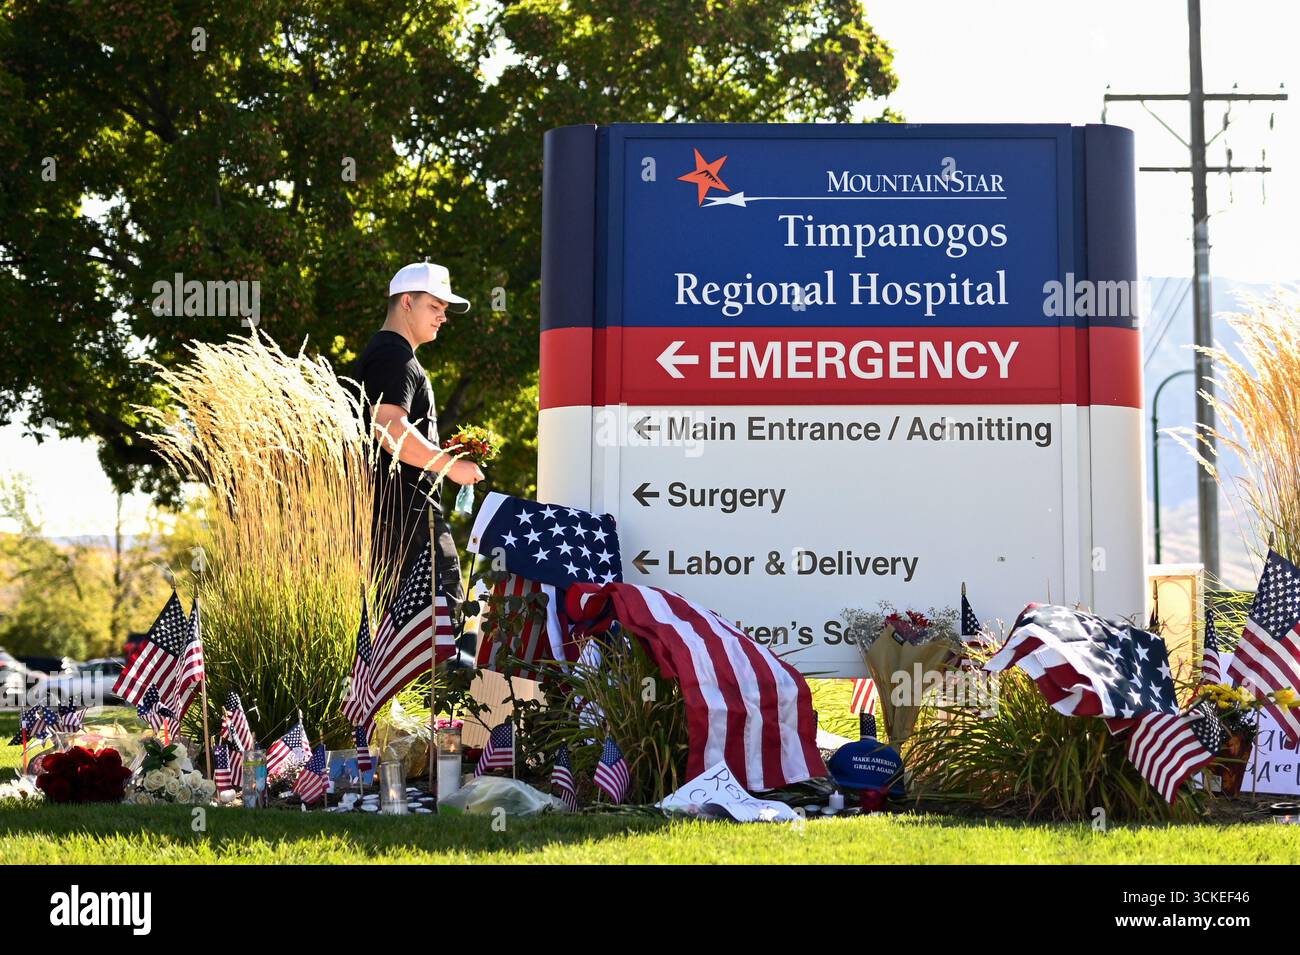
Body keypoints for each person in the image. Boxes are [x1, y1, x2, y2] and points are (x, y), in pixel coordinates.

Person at [354, 262, 484, 608]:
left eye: (444, 310)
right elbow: (388, 428)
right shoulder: (393, 356)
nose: (443, 317)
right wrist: (450, 466)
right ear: (407, 301)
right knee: (442, 632)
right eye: (435, 307)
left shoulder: (392, 355)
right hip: (407, 523)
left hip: (398, 524)